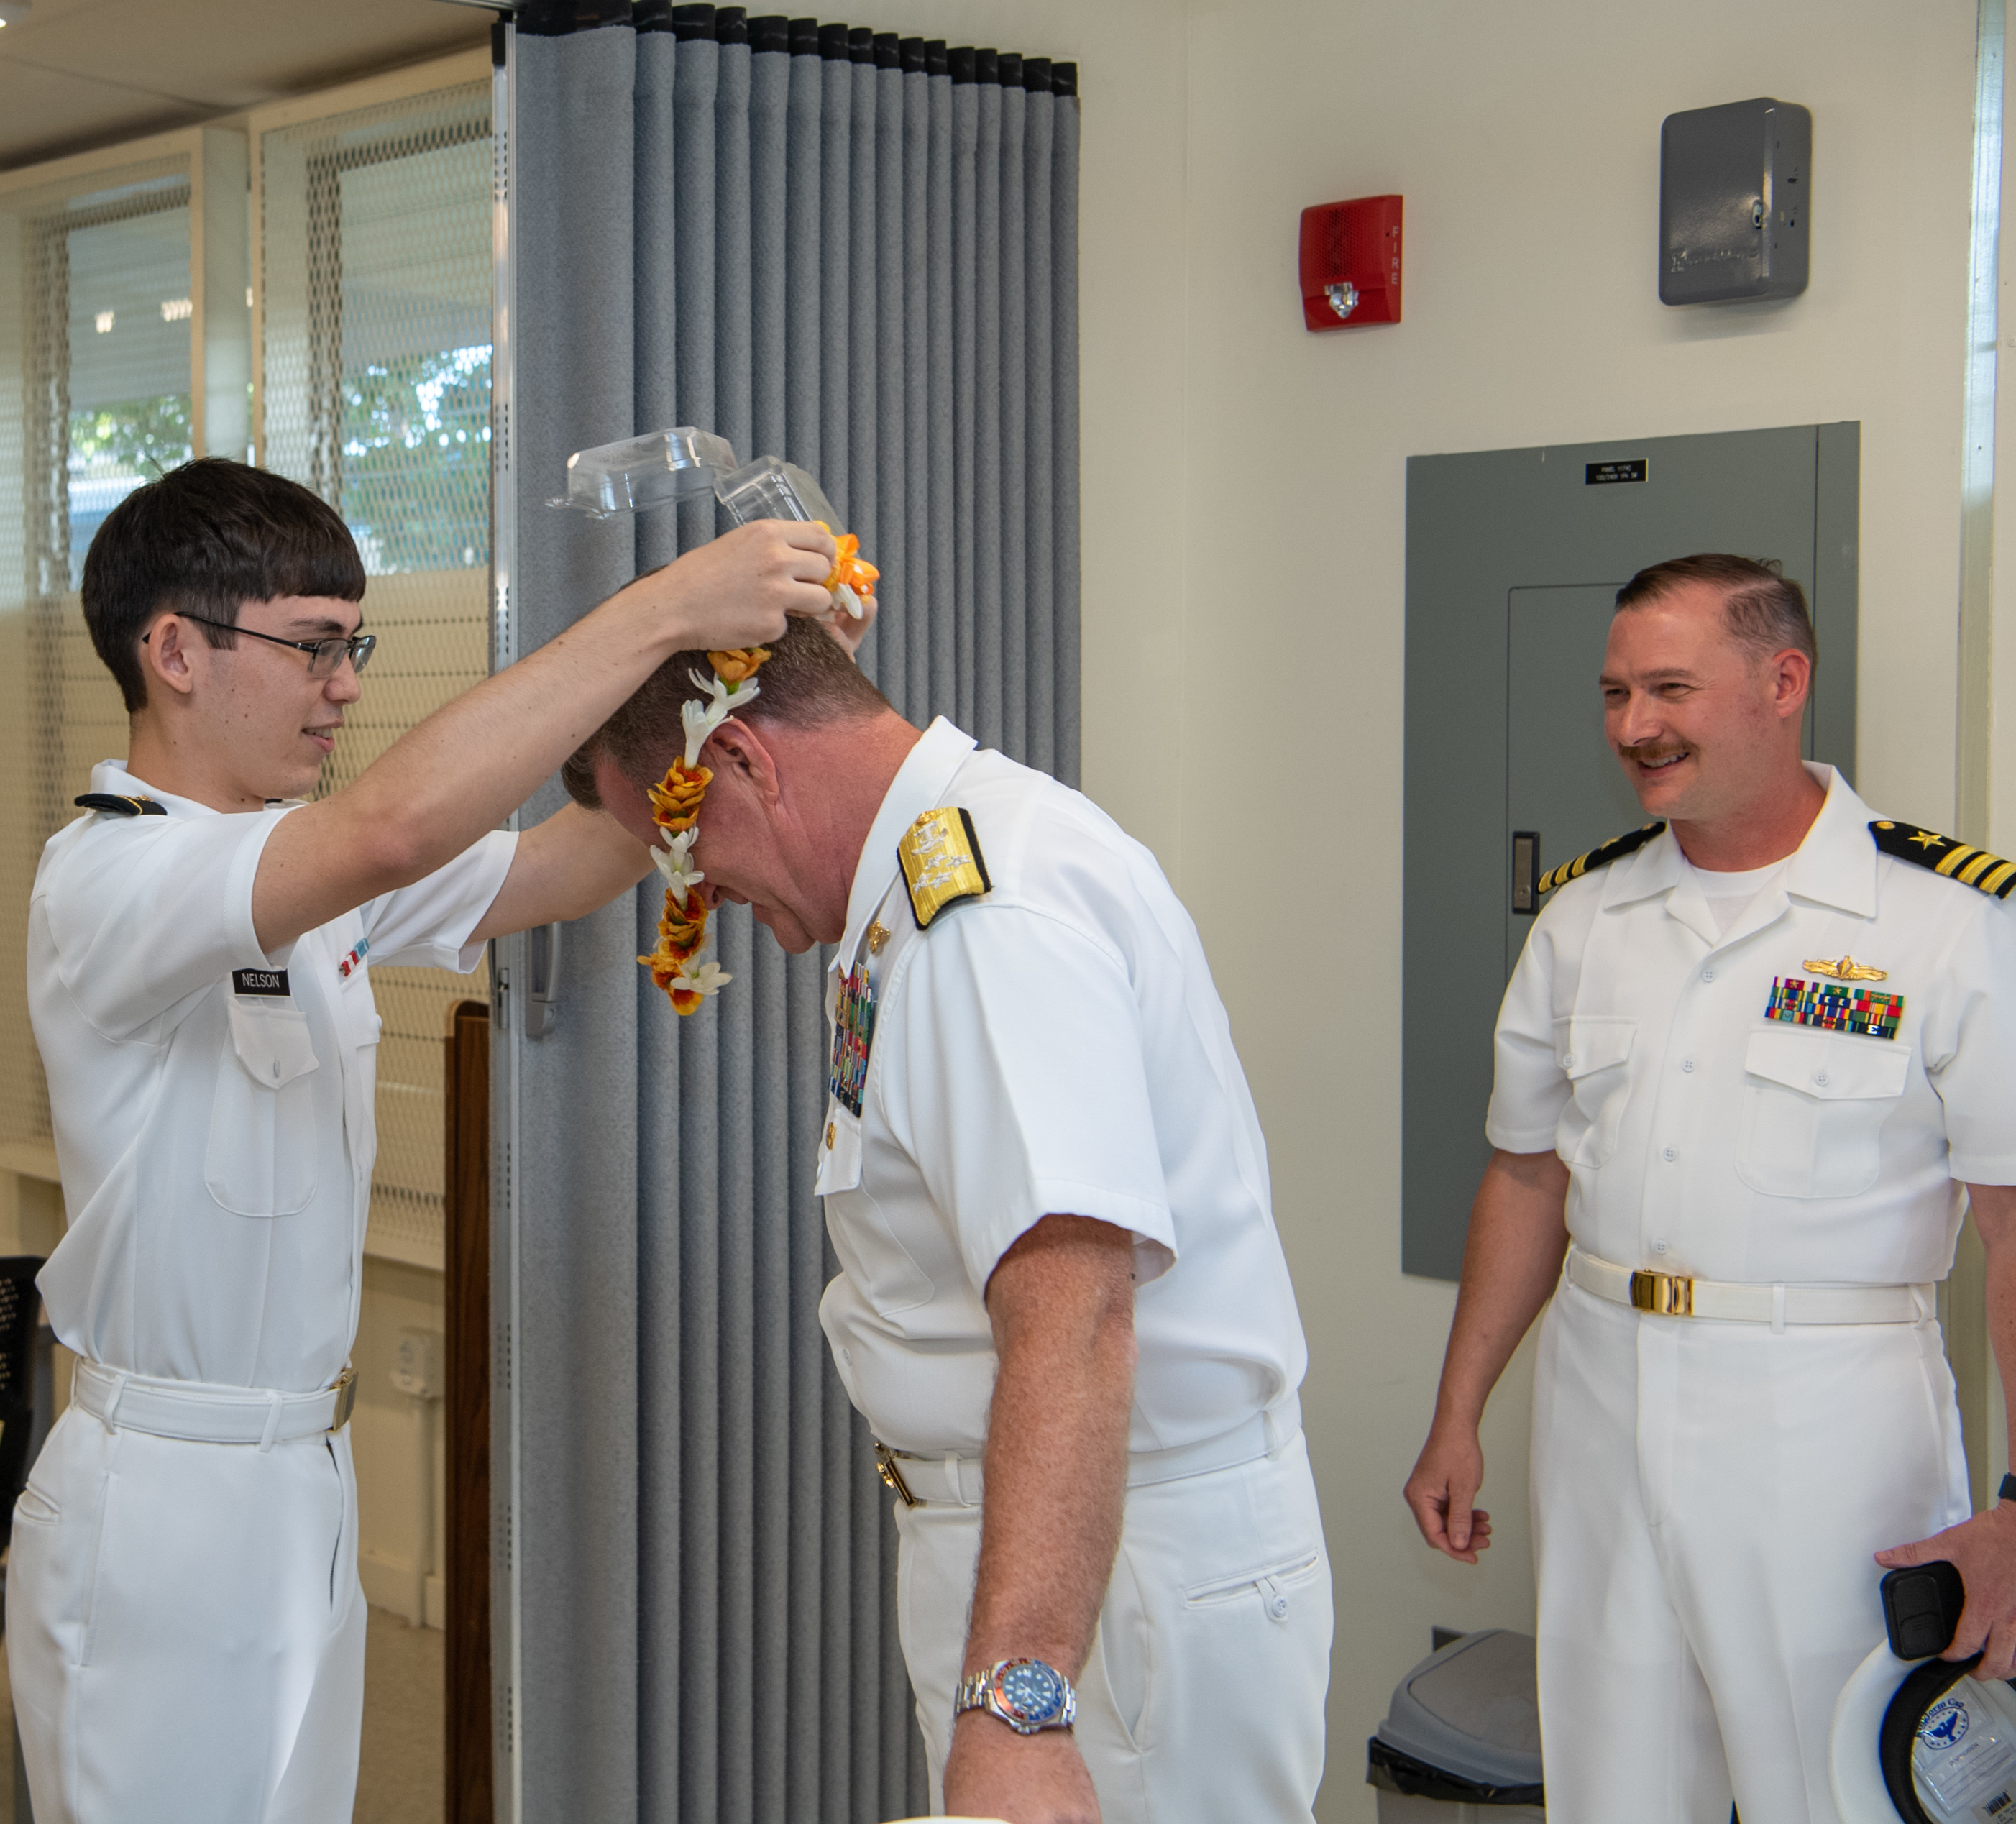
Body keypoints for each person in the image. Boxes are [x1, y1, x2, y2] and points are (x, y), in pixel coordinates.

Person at [6, 457, 845, 1824]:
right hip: (160, 1503)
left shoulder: (295, 865)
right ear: (173, 651)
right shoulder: (113, 875)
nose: (344, 684)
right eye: (314, 646)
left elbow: (573, 860)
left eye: (355, 646)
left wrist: (728, 688)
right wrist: (662, 609)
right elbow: (392, 828)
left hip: (301, 1483)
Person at [561, 622, 1329, 1824]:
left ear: (747, 762)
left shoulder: (982, 917)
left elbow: (1073, 1319)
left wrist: (1018, 1703)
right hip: (1068, 1557)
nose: (692, 887)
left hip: (1109, 1590)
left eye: (680, 839)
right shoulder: (924, 884)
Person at [1403, 554, 2016, 1824]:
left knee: (1836, 1784)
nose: (1634, 727)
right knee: (1610, 1779)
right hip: (1598, 1400)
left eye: (1669, 687)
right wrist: (1458, 1407)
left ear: (1781, 680)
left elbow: (2011, 1227)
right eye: (1615, 692)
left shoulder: (1943, 923)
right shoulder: (1584, 917)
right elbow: (1525, 1175)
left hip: (1828, 1419)